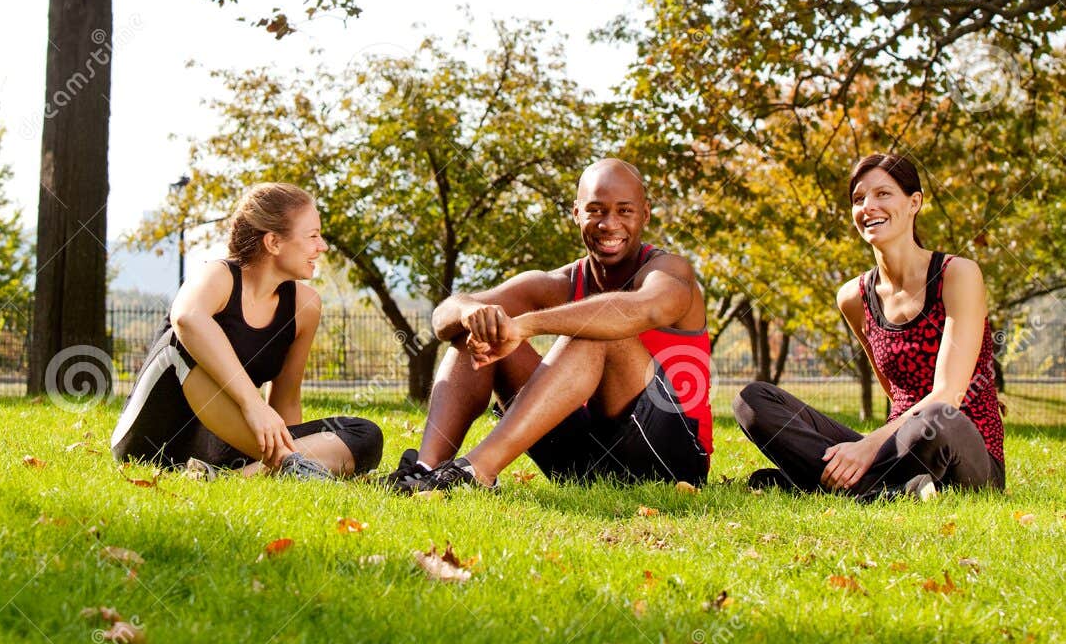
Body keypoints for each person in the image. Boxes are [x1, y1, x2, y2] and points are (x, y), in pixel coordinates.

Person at [384, 157, 713, 493]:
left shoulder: (670, 272)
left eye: (624, 211)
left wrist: (525, 326)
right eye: (596, 210)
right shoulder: (560, 281)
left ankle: (477, 473)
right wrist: (469, 311)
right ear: (576, 214)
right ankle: (425, 471)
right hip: (587, 461)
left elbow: (644, 310)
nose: (609, 223)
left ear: (644, 215)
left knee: (597, 331)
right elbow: (444, 317)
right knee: (477, 328)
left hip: (674, 460)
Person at [733, 152, 1006, 499]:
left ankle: (817, 483)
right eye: (859, 199)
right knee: (752, 400)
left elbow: (948, 395)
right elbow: (894, 392)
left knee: (937, 416)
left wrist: (867, 447)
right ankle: (892, 490)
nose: (868, 207)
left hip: (961, 450)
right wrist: (869, 446)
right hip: (898, 449)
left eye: (883, 194)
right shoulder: (853, 296)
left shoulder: (957, 274)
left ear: (914, 203)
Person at [111, 183, 383, 481]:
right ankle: (284, 464)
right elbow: (187, 318)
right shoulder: (219, 276)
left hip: (221, 448)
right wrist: (252, 404)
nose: (323, 246)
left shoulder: (305, 306)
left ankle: (239, 477)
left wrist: (290, 442)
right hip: (153, 440)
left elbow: (286, 400)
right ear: (274, 242)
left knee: (364, 434)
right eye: (313, 236)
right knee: (181, 341)